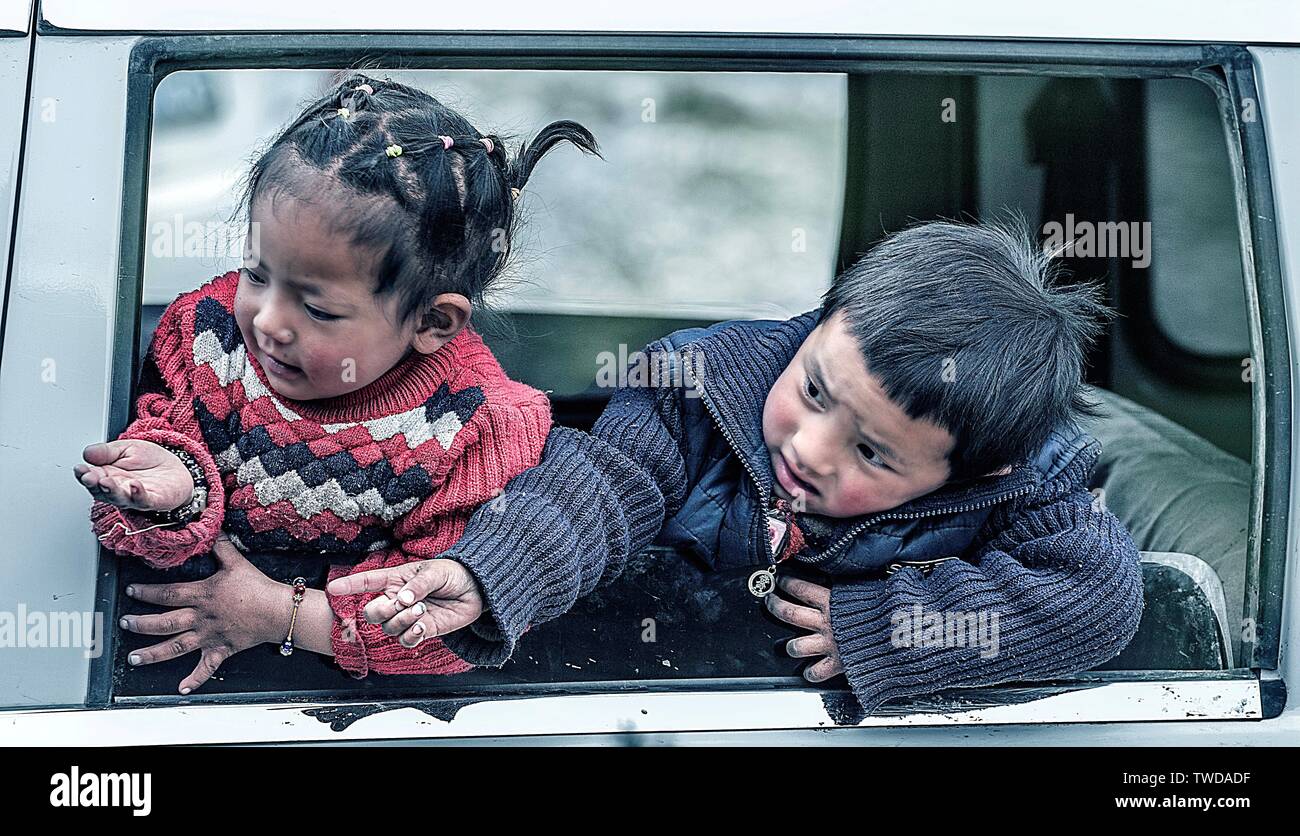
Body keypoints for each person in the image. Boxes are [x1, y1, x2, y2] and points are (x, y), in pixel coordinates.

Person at [336, 220, 1146, 712]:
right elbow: (599, 485)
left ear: (976, 476)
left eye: (870, 452)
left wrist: (893, 631)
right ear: (822, 320)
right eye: (816, 390)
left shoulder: (1026, 481)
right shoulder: (699, 388)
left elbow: (1098, 595)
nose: (808, 448)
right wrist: (487, 576)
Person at [73, 73, 600, 694]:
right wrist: (176, 485)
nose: (268, 321)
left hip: (332, 701)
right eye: (256, 274)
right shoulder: (209, 337)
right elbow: (169, 438)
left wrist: (274, 613)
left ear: (432, 321)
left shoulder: (481, 427)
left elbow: (444, 623)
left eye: (317, 310)